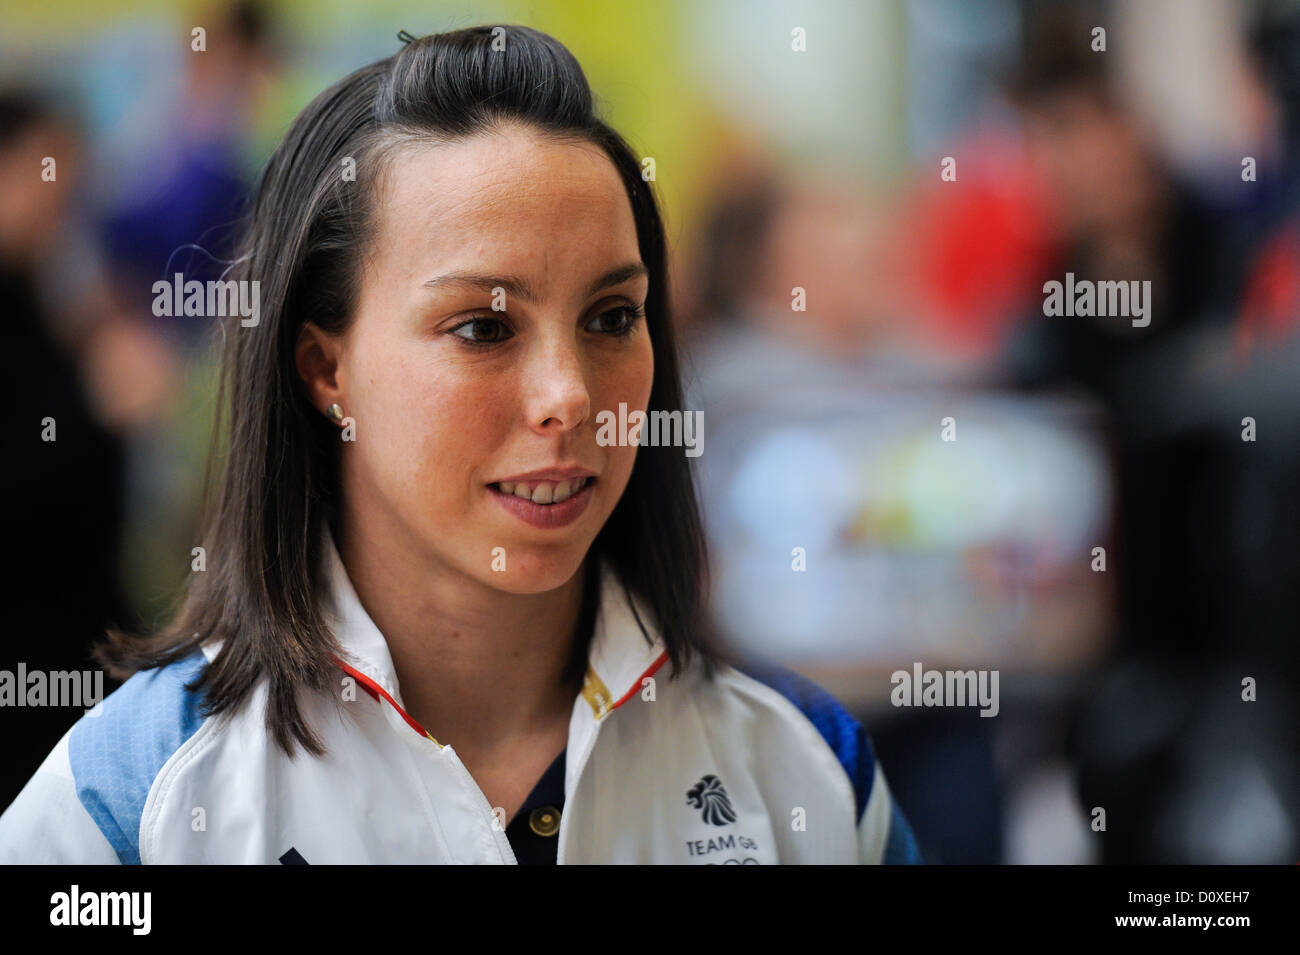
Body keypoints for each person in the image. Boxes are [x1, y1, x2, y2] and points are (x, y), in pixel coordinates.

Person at [0, 25, 920, 865]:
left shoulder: (806, 771)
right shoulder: (131, 805)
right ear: (326, 371)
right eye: (483, 327)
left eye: (611, 316)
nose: (568, 396)